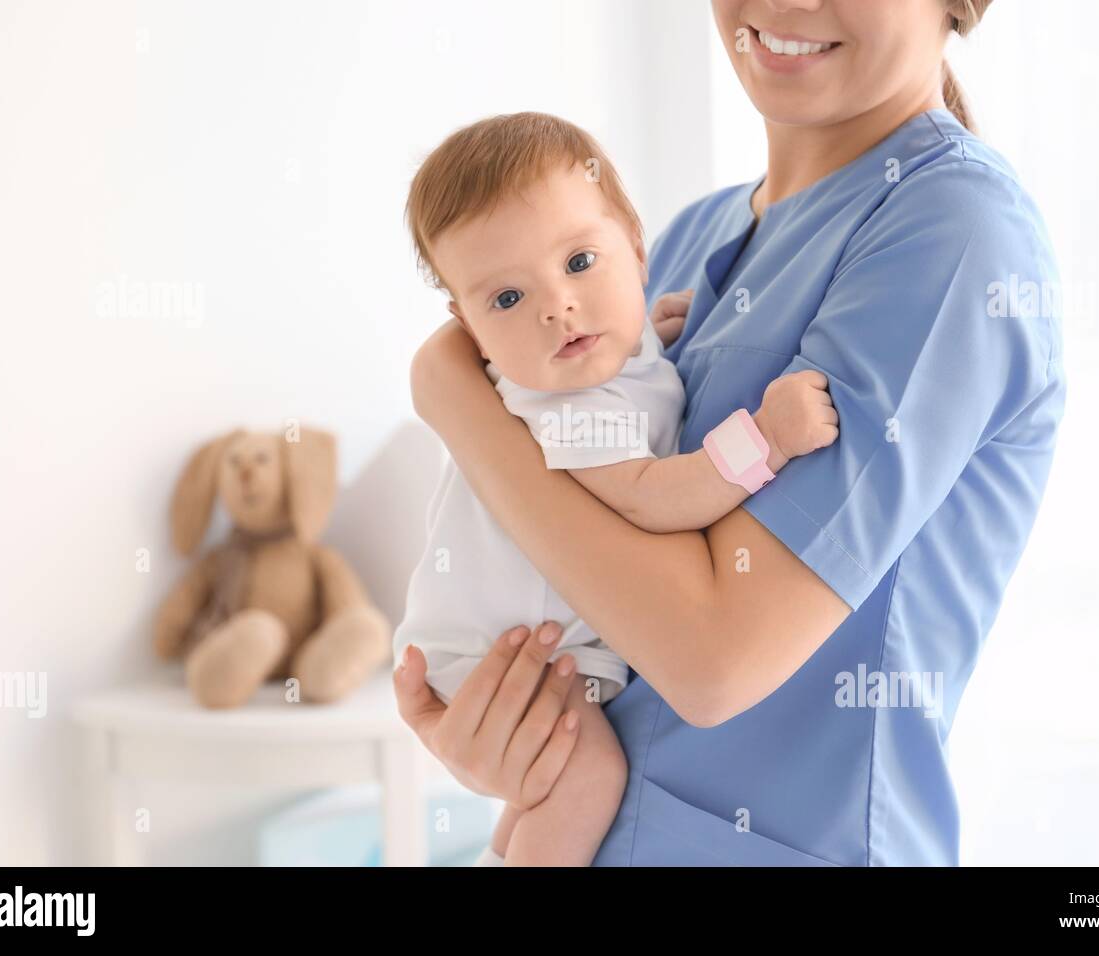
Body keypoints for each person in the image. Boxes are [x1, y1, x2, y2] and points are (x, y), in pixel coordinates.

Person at [396, 0, 1064, 865]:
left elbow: (713, 660)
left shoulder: (955, 234)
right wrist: (516, 737)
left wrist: (457, 403)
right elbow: (595, 611)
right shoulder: (678, 244)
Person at [396, 111, 838, 865]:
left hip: (515, 645)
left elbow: (636, 382)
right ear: (465, 324)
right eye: (506, 300)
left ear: (635, 241)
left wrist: (653, 333)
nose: (556, 308)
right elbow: (650, 493)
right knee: (586, 773)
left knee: (545, 792)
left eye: (578, 263)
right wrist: (764, 440)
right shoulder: (562, 404)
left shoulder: (608, 361)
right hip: (502, 653)